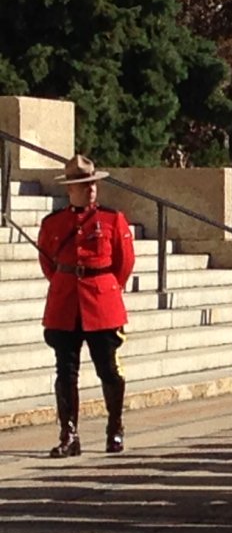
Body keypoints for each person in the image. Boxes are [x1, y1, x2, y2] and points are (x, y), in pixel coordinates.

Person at [38, 154, 135, 458]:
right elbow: (48, 263)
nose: (90, 189)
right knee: (66, 371)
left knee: (108, 368)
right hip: (65, 302)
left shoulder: (111, 219)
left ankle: (115, 428)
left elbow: (124, 262)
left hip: (101, 301)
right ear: (70, 190)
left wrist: (106, 288)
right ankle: (69, 434)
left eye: (92, 183)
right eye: (83, 185)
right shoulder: (53, 223)